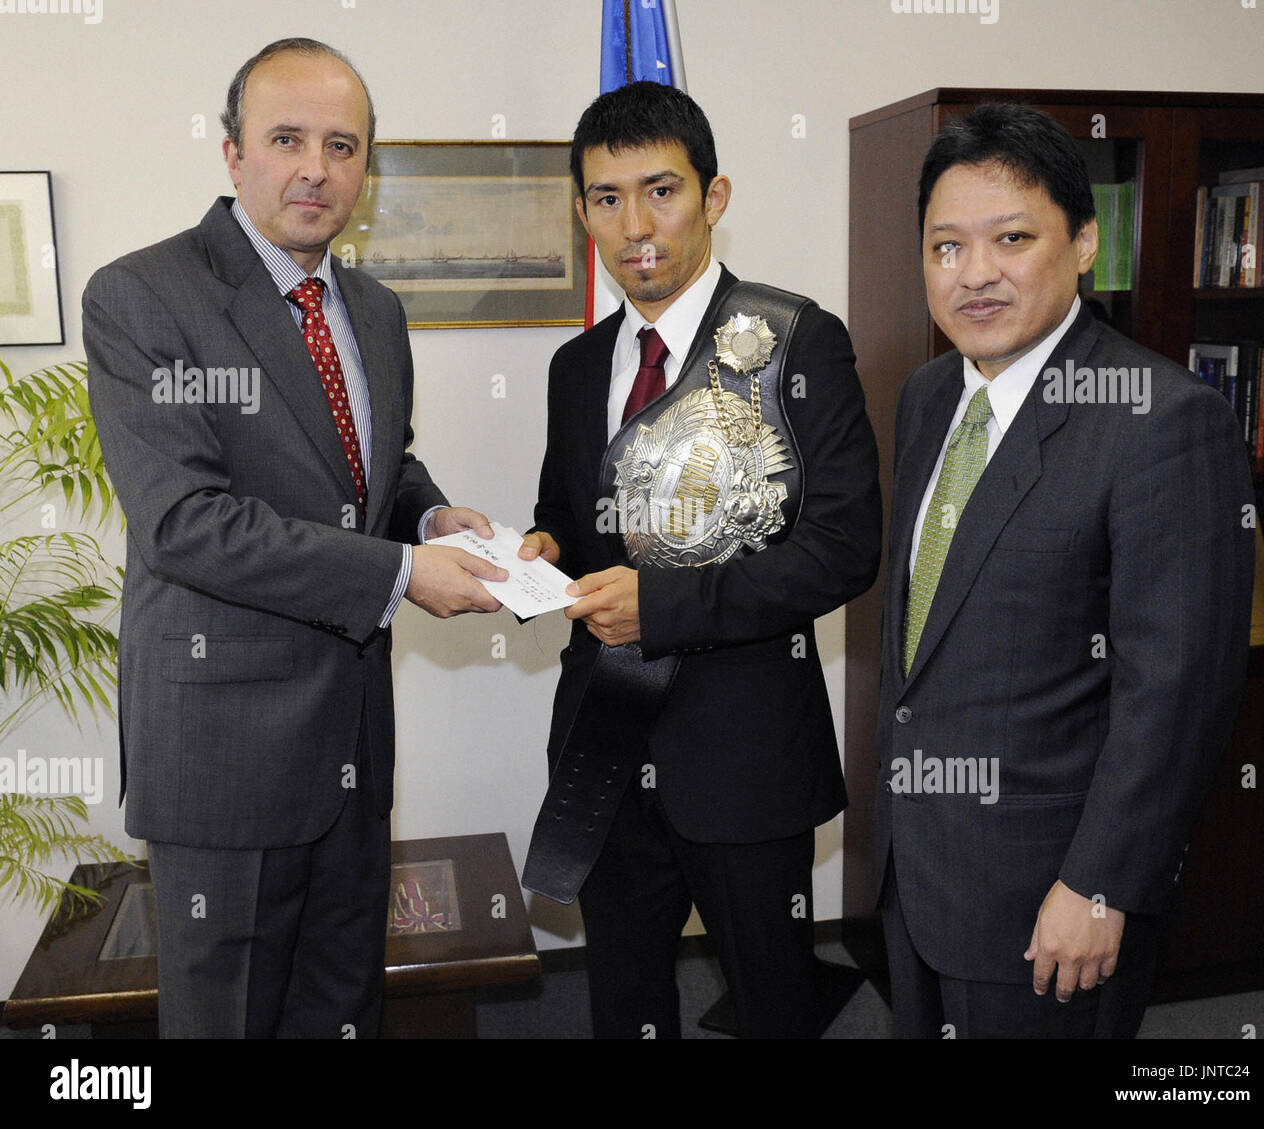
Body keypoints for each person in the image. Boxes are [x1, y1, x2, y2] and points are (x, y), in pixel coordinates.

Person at [83, 37, 505, 1038]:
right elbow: (188, 524)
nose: (315, 167)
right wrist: (406, 572)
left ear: (367, 166)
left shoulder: (376, 308)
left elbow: (374, 470)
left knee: (341, 1008)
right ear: (233, 154)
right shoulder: (142, 297)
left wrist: (432, 515)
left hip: (352, 744)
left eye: (342, 145)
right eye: (286, 138)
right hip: (223, 760)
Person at [874, 102, 1255, 1038]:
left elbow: (1178, 690)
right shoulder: (928, 396)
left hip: (1049, 889)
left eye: (1012, 238)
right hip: (917, 867)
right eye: (945, 247)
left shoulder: (1161, 420)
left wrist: (1101, 881)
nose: (975, 275)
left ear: (1085, 242)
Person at [517, 81, 881, 1039]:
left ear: (714, 197)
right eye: (606, 197)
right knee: (626, 999)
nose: (634, 224)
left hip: (745, 752)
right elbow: (572, 512)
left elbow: (845, 550)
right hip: (604, 731)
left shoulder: (794, 340)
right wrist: (542, 544)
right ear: (582, 210)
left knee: (773, 1004)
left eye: (661, 190)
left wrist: (665, 608)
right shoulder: (577, 366)